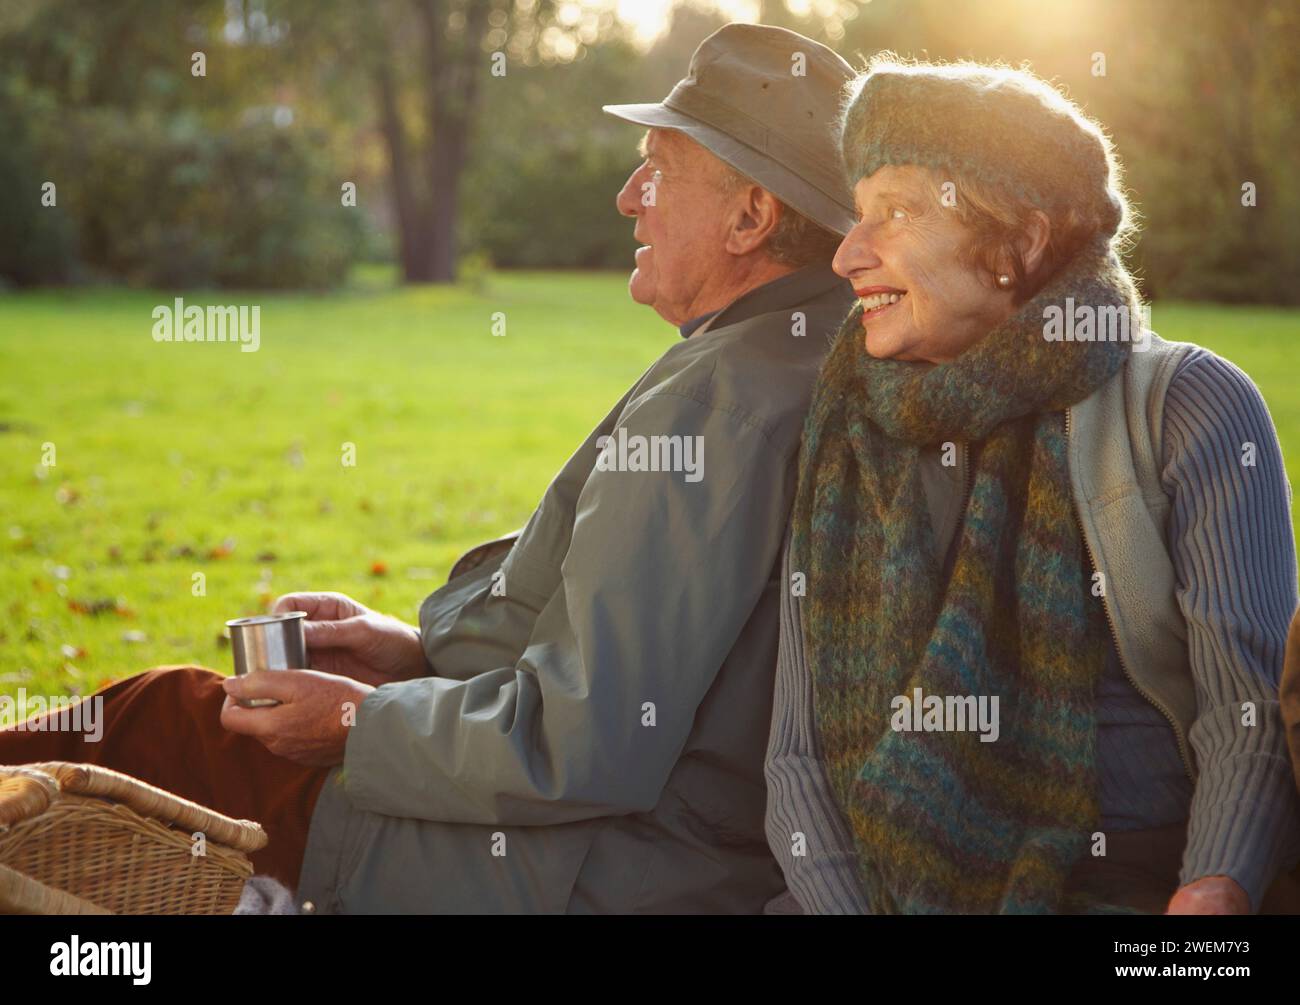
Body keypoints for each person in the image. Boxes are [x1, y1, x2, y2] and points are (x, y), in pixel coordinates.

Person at [1, 23, 858, 913]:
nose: (626, 195)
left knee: (168, 724)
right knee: (168, 715)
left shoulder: (720, 402)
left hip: (574, 868)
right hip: (645, 843)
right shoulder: (799, 353)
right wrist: (415, 654)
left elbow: (582, 741)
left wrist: (351, 720)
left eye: (659, 167)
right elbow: (638, 665)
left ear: (751, 216)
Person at [764, 56, 1300, 915]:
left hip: (1135, 889)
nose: (848, 255)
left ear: (1023, 239)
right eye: (856, 216)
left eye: (896, 212)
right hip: (874, 889)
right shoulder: (845, 432)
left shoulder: (1187, 407)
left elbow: (1248, 712)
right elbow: (796, 756)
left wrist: (1215, 890)